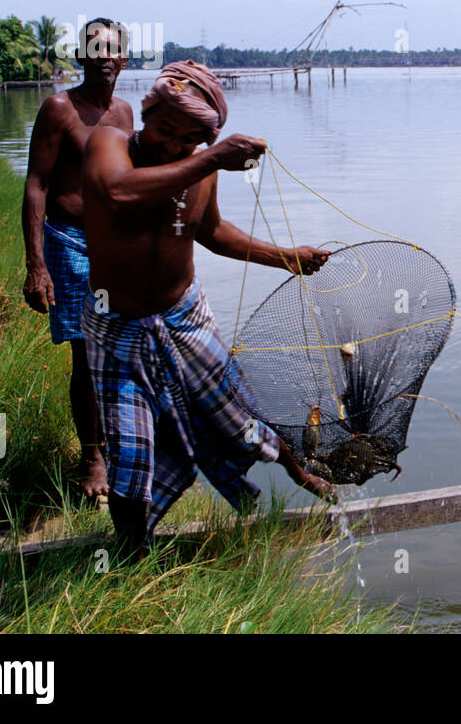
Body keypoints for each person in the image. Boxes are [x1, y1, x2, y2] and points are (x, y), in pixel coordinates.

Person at [80, 60, 334, 559]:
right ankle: (132, 557)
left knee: (238, 410)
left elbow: (212, 233)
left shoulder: (201, 168)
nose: (170, 144)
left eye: (187, 139)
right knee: (131, 457)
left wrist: (286, 258)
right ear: (147, 114)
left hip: (185, 316)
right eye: (164, 128)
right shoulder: (109, 143)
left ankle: (296, 468)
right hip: (118, 327)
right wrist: (212, 156)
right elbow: (116, 193)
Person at [21, 18, 134, 497]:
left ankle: (118, 443)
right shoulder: (59, 109)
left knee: (121, 353)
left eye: (114, 49)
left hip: (116, 247)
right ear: (81, 57)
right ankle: (91, 458)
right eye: (96, 49)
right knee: (86, 356)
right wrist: (35, 265)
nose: (105, 57)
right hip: (68, 246)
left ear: (124, 59)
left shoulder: (126, 113)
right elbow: (36, 185)